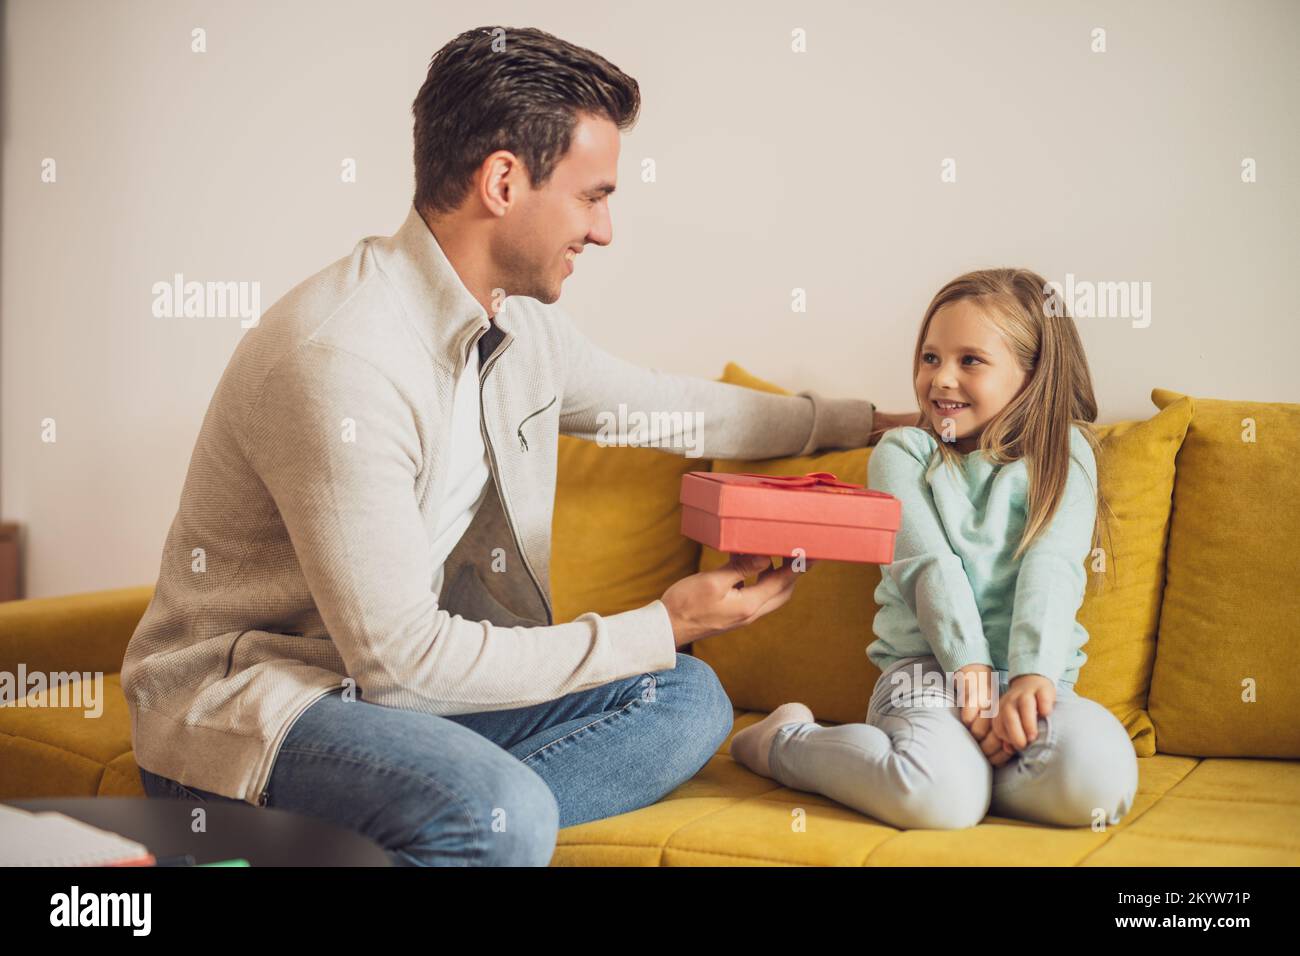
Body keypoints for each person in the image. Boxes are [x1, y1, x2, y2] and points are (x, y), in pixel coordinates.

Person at [122, 25, 912, 866]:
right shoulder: (341, 359)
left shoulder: (522, 332)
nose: (604, 230)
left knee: (685, 698)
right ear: (503, 180)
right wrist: (665, 618)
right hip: (263, 708)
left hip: (391, 702)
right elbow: (402, 665)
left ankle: (421, 826)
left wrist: (860, 422)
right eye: (591, 196)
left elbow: (672, 411)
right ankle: (463, 817)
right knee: (501, 808)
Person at [731, 268, 1139, 830]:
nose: (941, 379)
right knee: (941, 800)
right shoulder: (904, 454)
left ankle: (969, 767)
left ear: (1033, 374)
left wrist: (1029, 679)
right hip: (924, 677)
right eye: (930, 358)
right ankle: (786, 743)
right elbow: (928, 567)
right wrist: (970, 670)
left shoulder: (1066, 452)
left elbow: (1052, 566)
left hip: (1033, 685)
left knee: (1101, 781)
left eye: (970, 360)